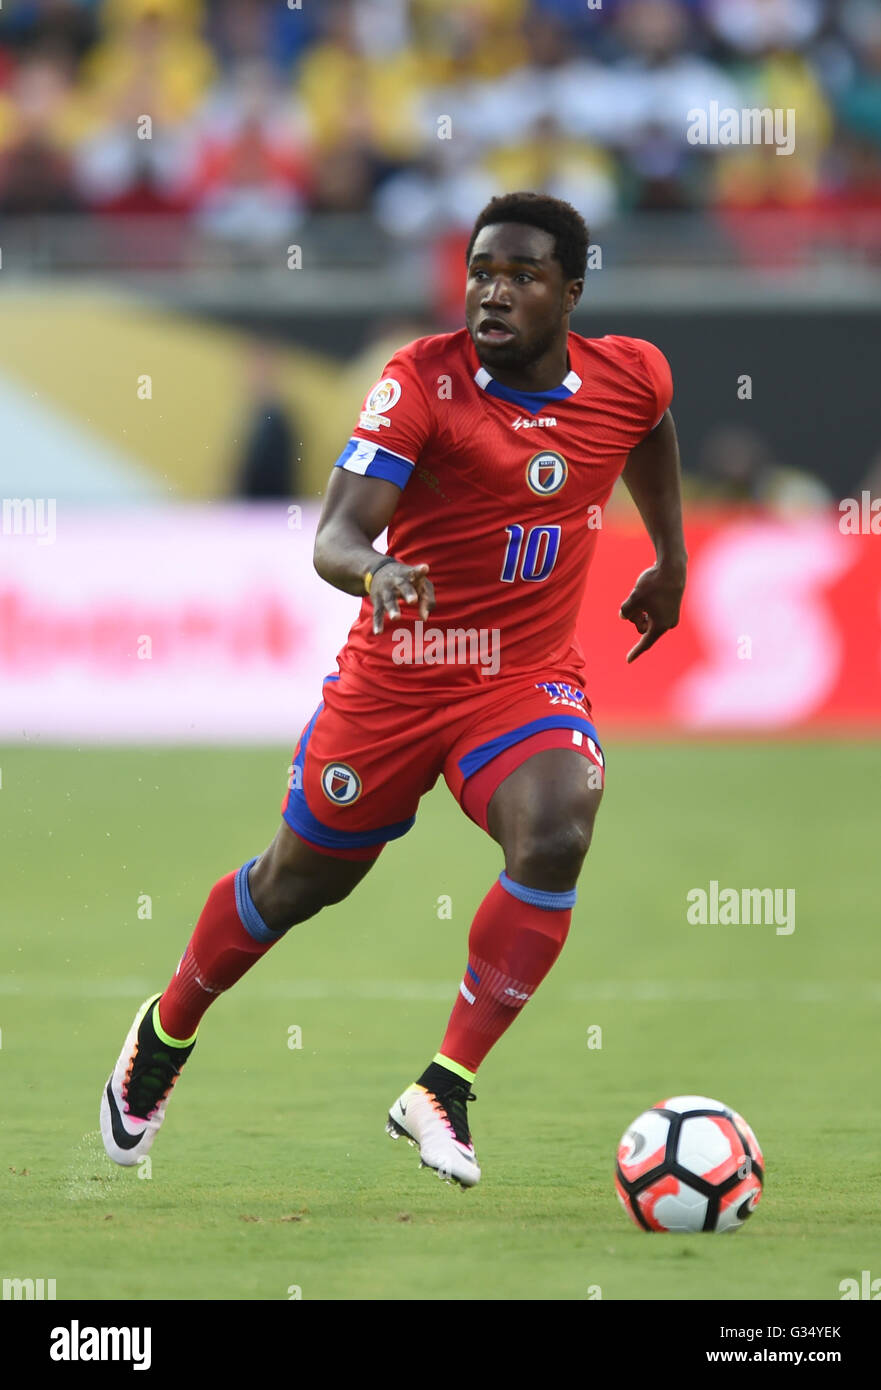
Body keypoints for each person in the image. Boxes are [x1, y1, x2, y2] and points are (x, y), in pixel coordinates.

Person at [100, 191, 687, 1189]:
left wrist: (670, 560)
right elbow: (334, 533)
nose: (492, 293)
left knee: (557, 826)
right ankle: (167, 1028)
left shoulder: (630, 374)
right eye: (481, 271)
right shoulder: (421, 380)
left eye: (522, 276)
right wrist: (375, 570)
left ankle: (443, 1085)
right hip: (398, 680)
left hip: (522, 679)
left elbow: (653, 431)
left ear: (571, 293)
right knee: (298, 883)